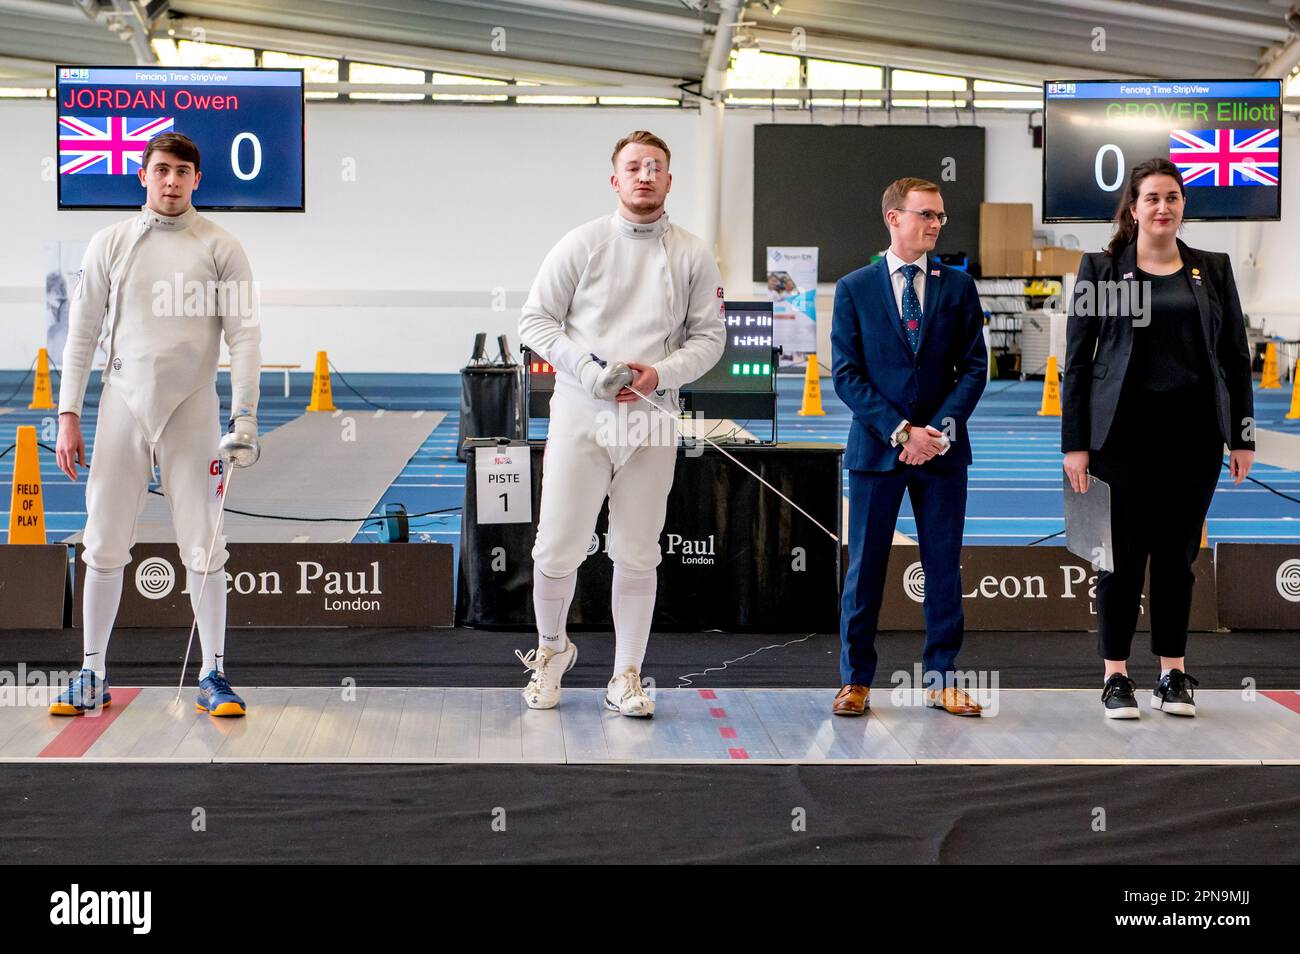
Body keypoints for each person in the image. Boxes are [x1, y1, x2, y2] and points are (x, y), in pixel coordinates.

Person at [52, 132, 263, 718]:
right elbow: (82, 334)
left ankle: (214, 674)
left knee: (204, 545)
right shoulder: (111, 242)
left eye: (183, 172)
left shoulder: (221, 247)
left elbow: (244, 336)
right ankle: (92, 671)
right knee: (103, 543)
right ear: (143, 176)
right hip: (121, 401)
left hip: (193, 409)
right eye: (162, 170)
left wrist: (244, 414)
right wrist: (68, 413)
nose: (171, 181)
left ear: (198, 180)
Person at [516, 130, 724, 717]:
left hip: (653, 420)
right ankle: (552, 652)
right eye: (633, 167)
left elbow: (711, 340)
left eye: (655, 167)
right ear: (615, 179)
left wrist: (658, 374)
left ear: (669, 180)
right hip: (581, 415)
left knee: (638, 551)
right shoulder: (581, 244)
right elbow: (535, 322)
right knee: (556, 548)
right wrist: (587, 369)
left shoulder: (691, 252)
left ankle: (626, 674)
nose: (644, 175)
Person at [1062, 157, 1254, 720]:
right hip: (1118, 439)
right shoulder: (1101, 268)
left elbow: (1235, 358)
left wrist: (1240, 435)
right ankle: (1115, 676)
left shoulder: (1211, 270)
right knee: (1116, 559)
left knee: (1177, 558)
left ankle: (1172, 672)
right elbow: (1078, 362)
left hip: (1194, 439)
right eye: (1152, 198)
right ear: (1134, 207)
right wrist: (1075, 443)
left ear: (1182, 206)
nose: (1163, 207)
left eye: (1173, 197)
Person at [830, 177, 988, 717]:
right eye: (926, 214)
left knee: (943, 568)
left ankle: (943, 678)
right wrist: (901, 432)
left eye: (940, 216)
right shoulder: (854, 288)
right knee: (865, 570)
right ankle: (856, 680)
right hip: (878, 452)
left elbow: (974, 369)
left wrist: (936, 431)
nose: (936, 224)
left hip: (942, 454)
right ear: (893, 218)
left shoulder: (959, 287)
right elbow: (848, 377)